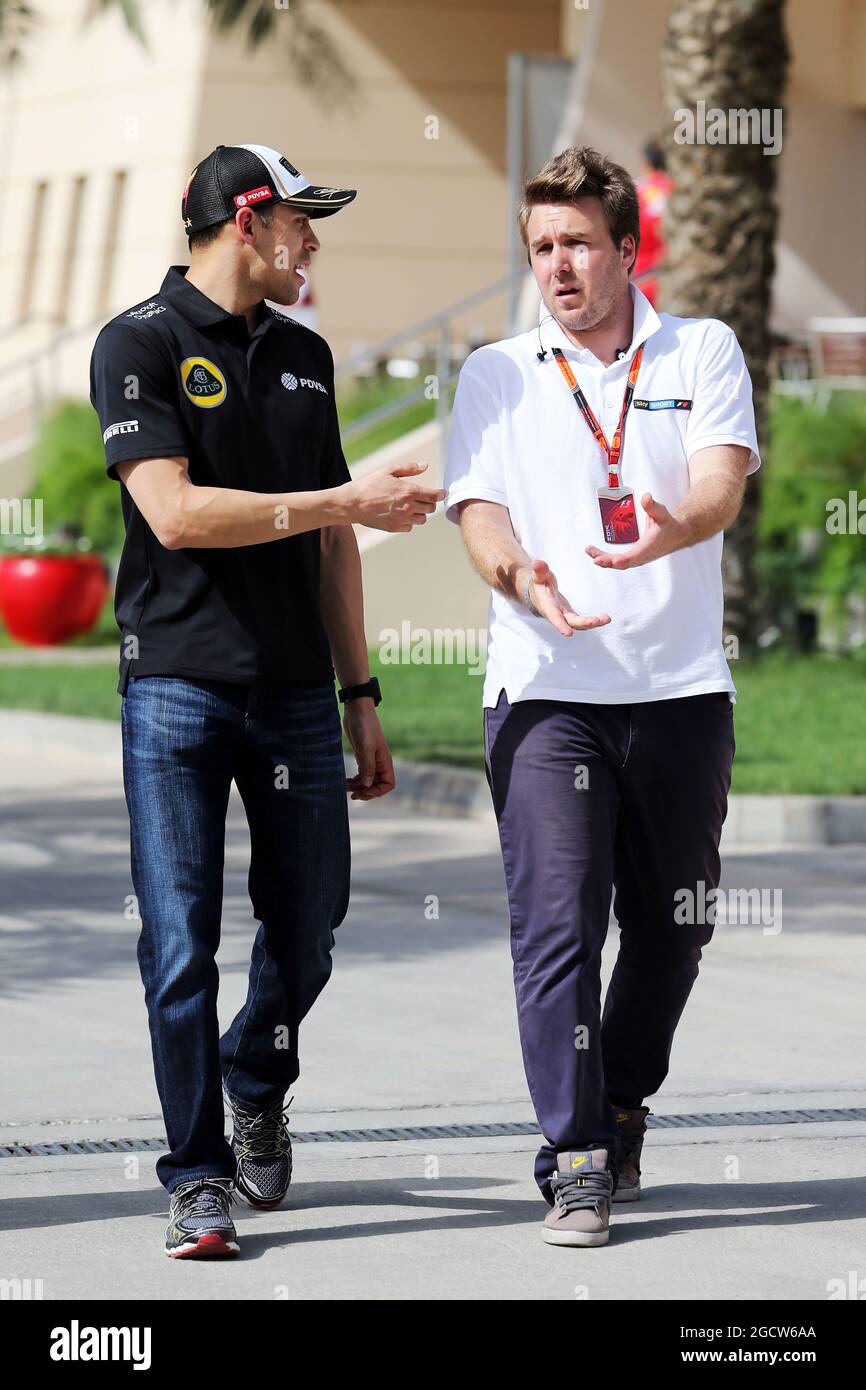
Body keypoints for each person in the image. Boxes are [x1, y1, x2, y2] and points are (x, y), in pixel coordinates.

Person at [89, 143, 445, 1258]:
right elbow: (178, 515)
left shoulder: (305, 355)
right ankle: (195, 1175)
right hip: (177, 691)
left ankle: (256, 1073)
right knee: (180, 943)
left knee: (311, 929)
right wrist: (340, 495)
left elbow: (336, 538)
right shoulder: (136, 345)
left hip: (296, 692)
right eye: (301, 220)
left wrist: (360, 693)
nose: (314, 241)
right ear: (246, 221)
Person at [444, 145, 759, 1247]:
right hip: (544, 691)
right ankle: (574, 1157)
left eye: (577, 242)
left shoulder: (701, 348)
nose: (558, 265)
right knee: (556, 930)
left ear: (627, 247)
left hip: (677, 691)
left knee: (673, 929)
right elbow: (477, 509)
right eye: (540, 247)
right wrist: (514, 574)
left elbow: (719, 473)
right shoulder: (496, 370)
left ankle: (620, 1099)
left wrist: (682, 520)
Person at [632, 139, 674, 307]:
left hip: (639, 277)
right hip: (668, 278)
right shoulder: (678, 193)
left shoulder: (636, 190)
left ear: (646, 162)